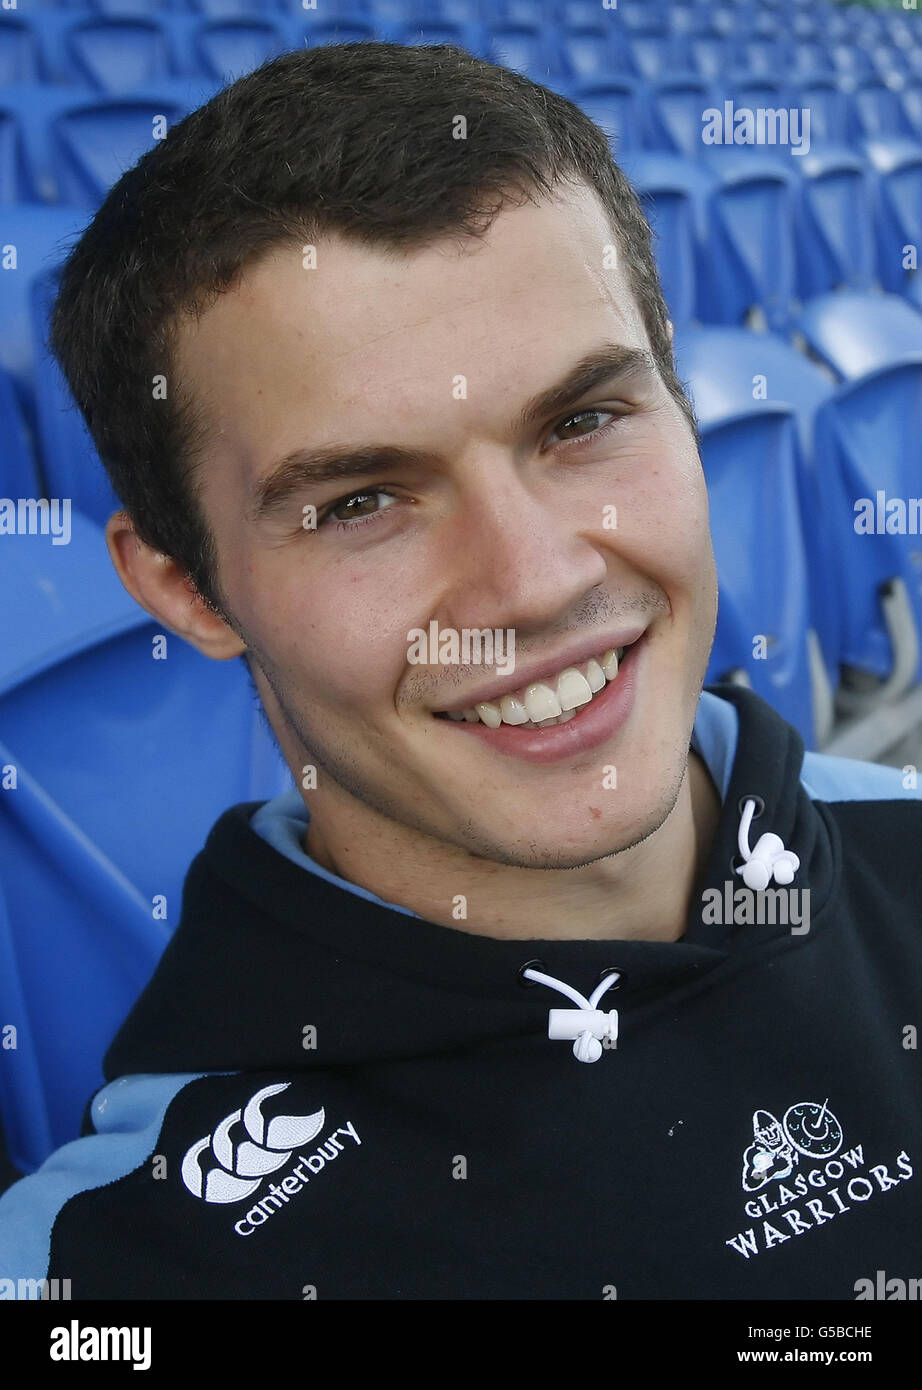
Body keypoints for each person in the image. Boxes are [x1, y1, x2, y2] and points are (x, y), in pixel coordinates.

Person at [0, 41, 920, 1301]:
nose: (534, 581)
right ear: (184, 587)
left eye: (584, 420)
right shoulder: (112, 1267)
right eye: (362, 499)